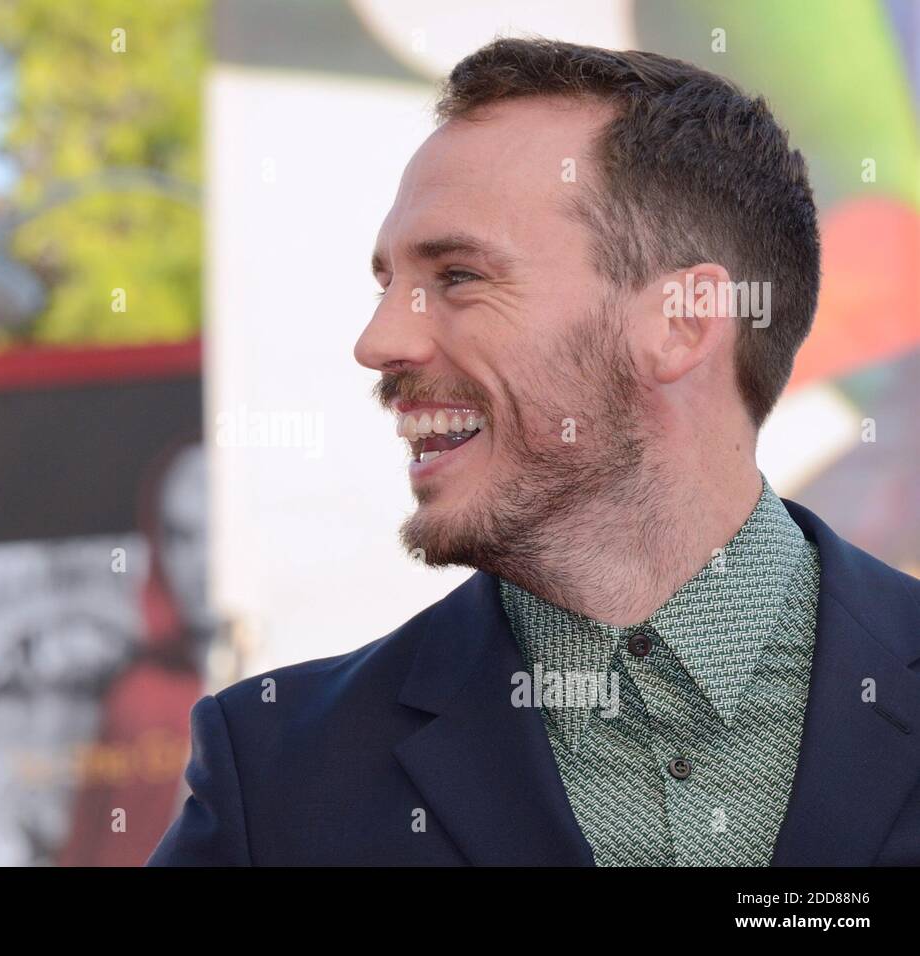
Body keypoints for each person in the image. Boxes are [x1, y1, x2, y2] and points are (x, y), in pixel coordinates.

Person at [147, 37, 920, 866]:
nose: (379, 342)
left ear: (682, 325)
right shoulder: (280, 776)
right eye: (388, 285)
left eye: (458, 277)